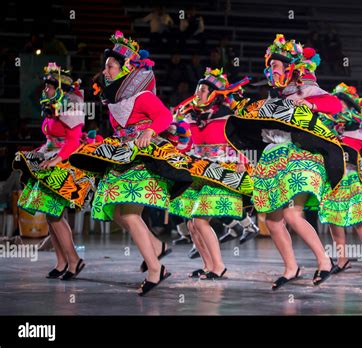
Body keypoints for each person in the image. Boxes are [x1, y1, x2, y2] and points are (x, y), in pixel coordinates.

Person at [69, 31, 192, 295]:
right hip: (123, 156)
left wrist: (149, 131)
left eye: (110, 66)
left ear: (125, 69)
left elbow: (164, 116)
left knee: (129, 214)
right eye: (105, 66)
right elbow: (120, 131)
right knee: (115, 211)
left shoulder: (142, 96)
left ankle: (155, 269)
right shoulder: (115, 101)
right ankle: (156, 248)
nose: (105, 71)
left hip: (141, 159)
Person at [226, 35, 346, 289]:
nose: (272, 70)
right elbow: (254, 133)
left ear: (290, 68)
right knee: (272, 220)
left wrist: (311, 104)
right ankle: (292, 268)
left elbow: (335, 104)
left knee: (292, 214)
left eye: (277, 66)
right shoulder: (269, 101)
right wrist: (242, 158)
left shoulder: (306, 89)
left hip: (299, 155)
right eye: (270, 67)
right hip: (272, 158)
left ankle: (325, 262)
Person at [168, 68, 253, 279]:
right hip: (199, 171)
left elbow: (242, 142)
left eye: (203, 90)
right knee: (191, 223)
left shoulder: (227, 117)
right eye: (197, 89)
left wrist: (243, 162)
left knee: (200, 220)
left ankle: (219, 266)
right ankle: (208, 265)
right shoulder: (191, 118)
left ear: (214, 93)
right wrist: (176, 132)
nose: (197, 93)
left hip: (223, 170)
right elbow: (185, 147)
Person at [13, 62, 94, 280]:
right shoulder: (52, 106)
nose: (45, 90)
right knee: (52, 215)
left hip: (65, 162)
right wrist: (40, 153)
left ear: (59, 88)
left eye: (49, 86)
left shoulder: (72, 104)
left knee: (55, 214)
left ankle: (74, 261)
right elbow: (51, 139)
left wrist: (56, 160)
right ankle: (61, 262)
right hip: (51, 159)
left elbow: (73, 140)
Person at [319, 83, 362, 277]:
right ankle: (342, 260)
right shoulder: (327, 129)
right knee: (334, 220)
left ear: (350, 107)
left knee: (359, 221)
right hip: (332, 179)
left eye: (340, 104)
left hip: (352, 179)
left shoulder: (361, 129)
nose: (336, 108)